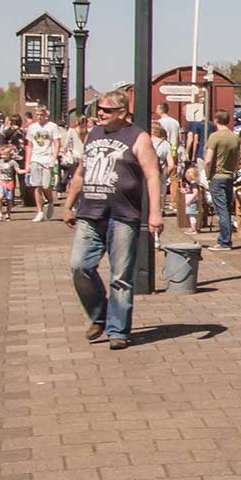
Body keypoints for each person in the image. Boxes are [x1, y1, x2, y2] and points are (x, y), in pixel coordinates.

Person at [61, 92, 163, 350]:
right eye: (100, 108)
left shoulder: (138, 138)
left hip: (123, 216)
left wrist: (155, 212)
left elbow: (153, 176)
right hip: (90, 213)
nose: (101, 113)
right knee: (79, 266)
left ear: (121, 112)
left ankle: (118, 330)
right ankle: (100, 315)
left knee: (120, 276)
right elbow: (81, 173)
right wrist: (68, 204)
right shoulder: (94, 133)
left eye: (106, 109)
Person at [205, 115, 241, 249]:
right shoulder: (235, 137)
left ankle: (224, 241)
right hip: (229, 176)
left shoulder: (215, 136)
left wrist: (208, 175)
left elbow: (208, 159)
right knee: (226, 208)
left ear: (216, 120)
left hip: (217, 176)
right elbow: (237, 159)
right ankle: (225, 238)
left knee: (221, 210)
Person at [0, 139, 19, 219]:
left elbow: (18, 170)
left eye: (5, 154)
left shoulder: (12, 162)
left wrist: (26, 170)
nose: (3, 156)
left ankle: (8, 213)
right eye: (1, 155)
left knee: (9, 199)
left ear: (9, 154)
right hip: (1, 182)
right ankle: (0, 213)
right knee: (0, 197)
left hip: (9, 182)